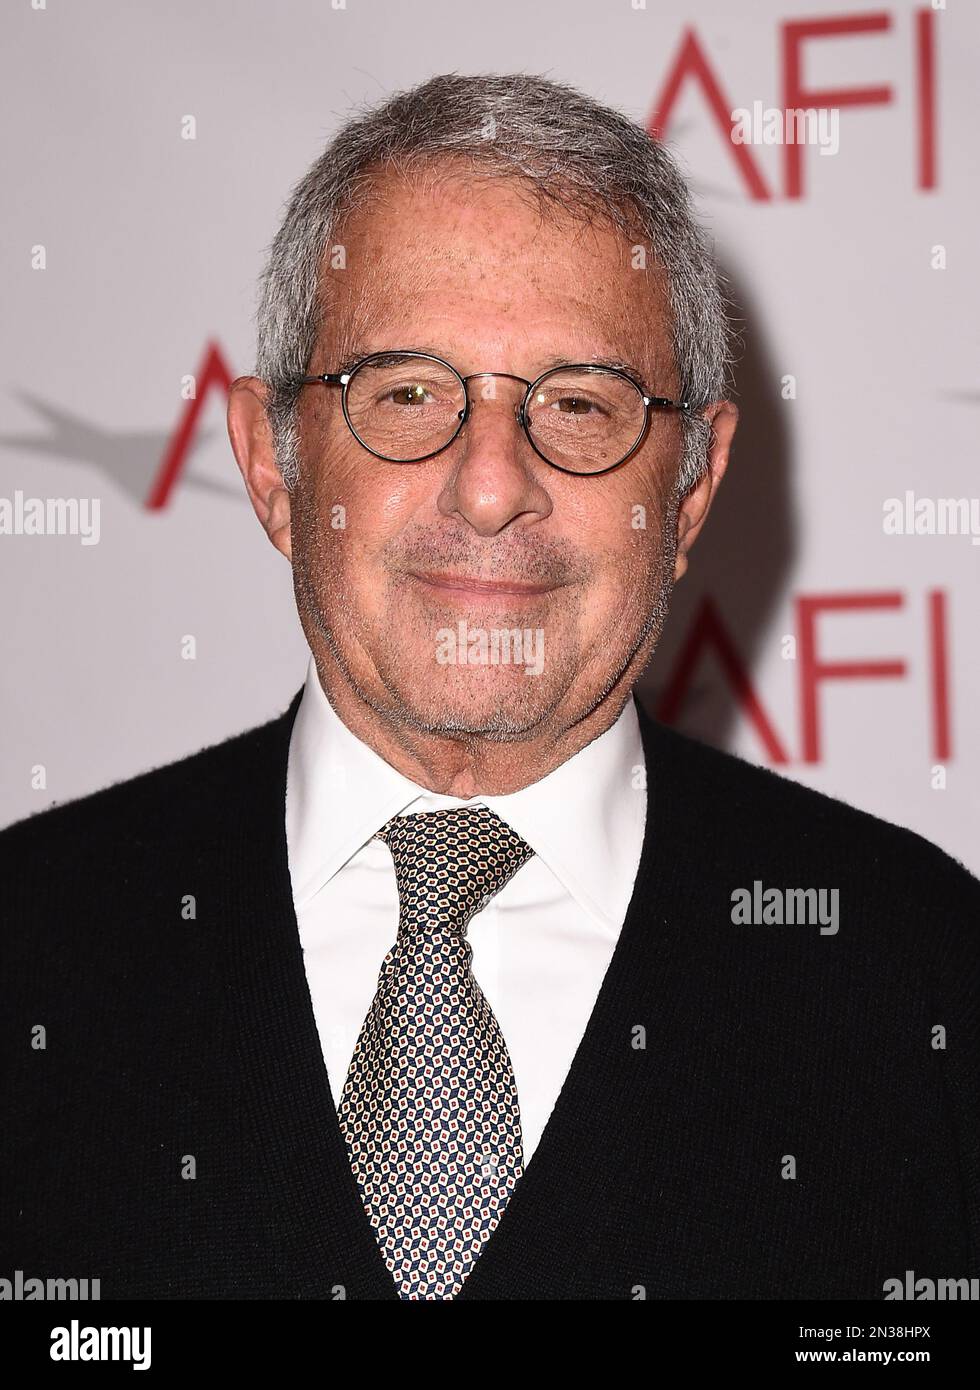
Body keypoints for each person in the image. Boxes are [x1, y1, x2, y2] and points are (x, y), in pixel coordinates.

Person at [2, 72, 977, 1303]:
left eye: (578, 405)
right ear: (270, 466)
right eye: (404, 392)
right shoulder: (29, 950)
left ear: (687, 492)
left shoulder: (920, 981)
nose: (487, 487)